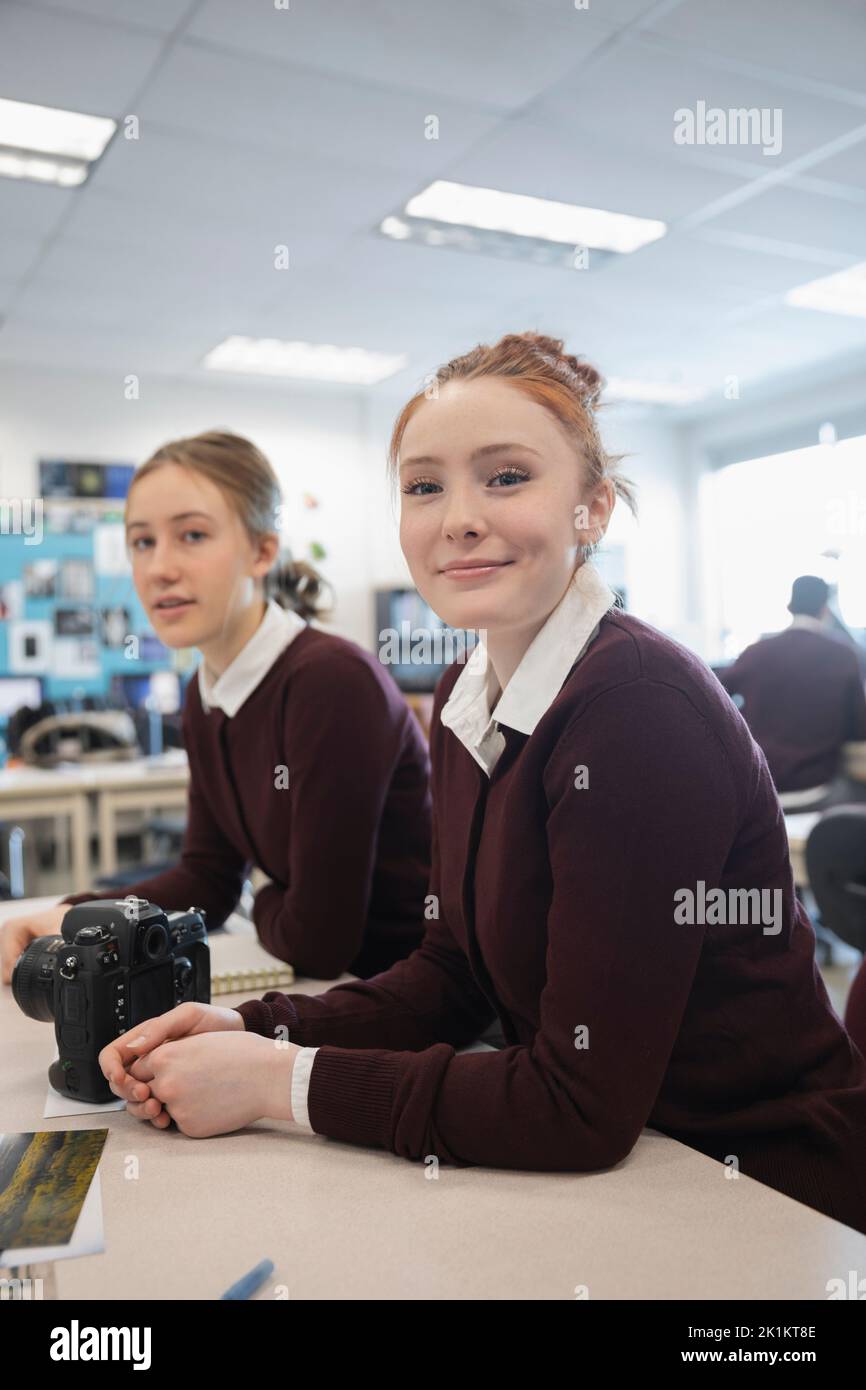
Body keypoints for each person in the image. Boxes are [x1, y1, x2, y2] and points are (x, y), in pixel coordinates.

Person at [101, 336, 866, 1235]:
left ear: (594, 510)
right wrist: (261, 1029)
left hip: (758, 1196)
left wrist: (280, 1083)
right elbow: (454, 971)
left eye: (506, 477)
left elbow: (577, 1107)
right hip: (625, 1179)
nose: (457, 517)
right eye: (424, 486)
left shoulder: (636, 706)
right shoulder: (470, 695)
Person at [0, 432, 431, 983]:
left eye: (193, 535)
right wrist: (71, 916)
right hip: (333, 989)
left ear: (262, 551)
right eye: (142, 542)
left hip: (406, 999)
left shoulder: (331, 682)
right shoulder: (205, 694)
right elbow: (207, 879)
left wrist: (264, 892)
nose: (160, 568)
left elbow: (320, 941)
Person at [716, 575, 866, 811]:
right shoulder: (843, 655)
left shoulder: (756, 653)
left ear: (790, 606)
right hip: (818, 789)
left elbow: (714, 700)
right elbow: (859, 729)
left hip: (761, 790)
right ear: (825, 609)